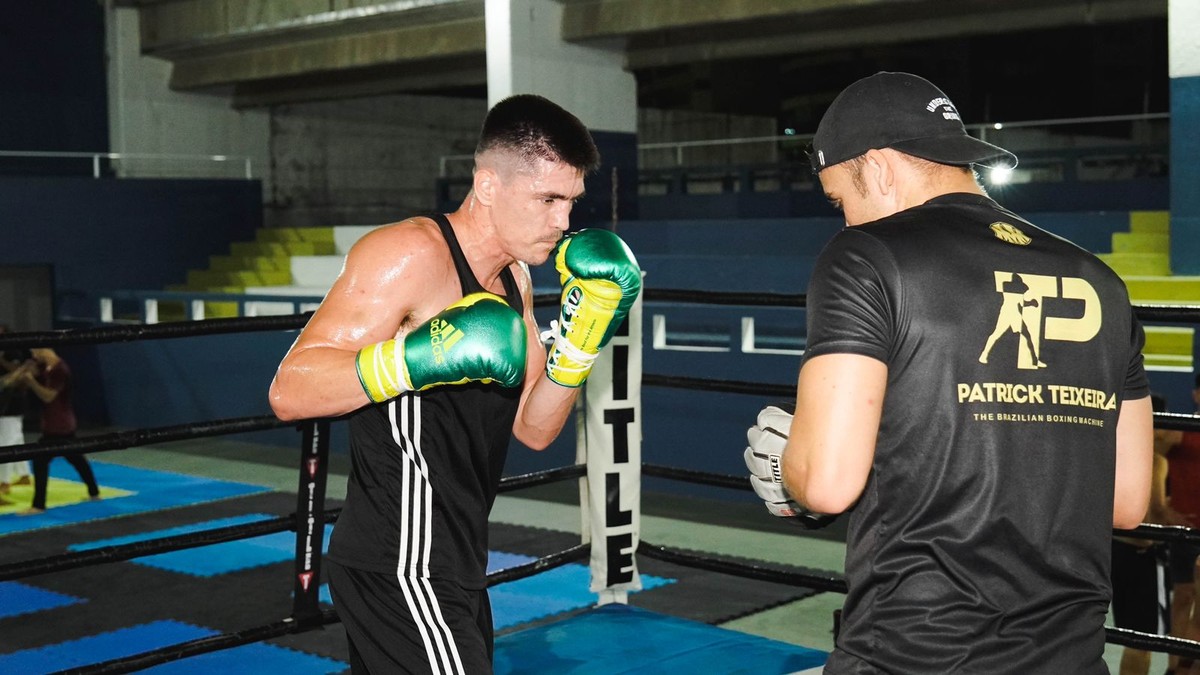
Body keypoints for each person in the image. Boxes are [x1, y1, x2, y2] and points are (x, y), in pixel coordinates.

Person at [743, 72, 1153, 673]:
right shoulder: (1103, 282)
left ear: (879, 167)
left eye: (840, 200)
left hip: (914, 652)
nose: (845, 221)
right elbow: (1126, 502)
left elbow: (828, 484)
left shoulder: (865, 257)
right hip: (1071, 656)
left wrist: (790, 471)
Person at [268, 94, 640, 674]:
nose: (563, 222)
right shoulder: (408, 254)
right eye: (547, 199)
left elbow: (534, 429)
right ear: (488, 185)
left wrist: (581, 340)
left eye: (570, 202)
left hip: (459, 559)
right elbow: (289, 390)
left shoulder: (515, 279)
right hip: (402, 561)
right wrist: (412, 361)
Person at [1111, 393, 1184, 675]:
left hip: (1113, 550)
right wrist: (1185, 526)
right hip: (1140, 554)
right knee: (1141, 641)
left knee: (1125, 635)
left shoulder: (1115, 453)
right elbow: (1156, 509)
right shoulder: (1153, 460)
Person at [19, 347, 101, 514]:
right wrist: (26, 371)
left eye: (36, 352)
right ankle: (94, 493)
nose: (34, 356)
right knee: (77, 459)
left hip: (60, 425)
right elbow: (28, 377)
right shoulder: (45, 368)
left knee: (41, 461)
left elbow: (48, 396)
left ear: (45, 349)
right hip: (55, 424)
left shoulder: (60, 369)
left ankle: (38, 505)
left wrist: (31, 381)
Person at [1159, 374, 1200, 674]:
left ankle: (1191, 661)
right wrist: (1162, 508)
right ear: (1196, 396)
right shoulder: (1178, 431)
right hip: (1186, 531)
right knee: (1183, 596)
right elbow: (1144, 458)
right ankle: (1176, 664)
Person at [0, 323, 33, 498]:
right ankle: (24, 474)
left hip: (11, 402)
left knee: (6, 442)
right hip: (6, 399)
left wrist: (2, 360)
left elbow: (18, 374)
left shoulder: (12, 351)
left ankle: (4, 481)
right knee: (16, 439)